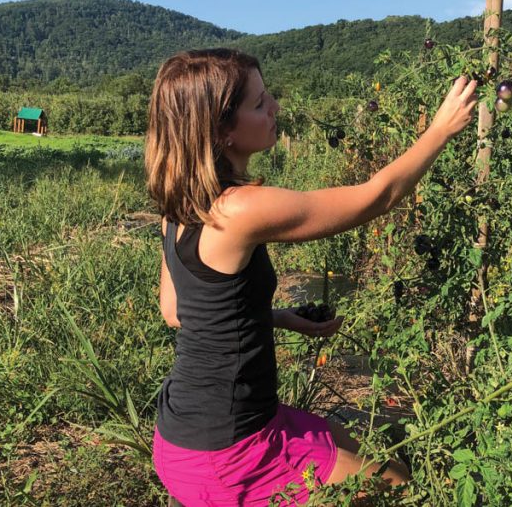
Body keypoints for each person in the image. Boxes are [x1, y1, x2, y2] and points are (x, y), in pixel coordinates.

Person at [144, 48, 477, 506]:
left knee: (376, 458)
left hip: (188, 430)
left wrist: (276, 317)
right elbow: (375, 197)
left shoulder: (180, 204)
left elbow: (176, 311)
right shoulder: (238, 209)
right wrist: (440, 130)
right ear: (222, 130)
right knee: (395, 488)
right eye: (260, 104)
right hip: (229, 453)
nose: (275, 107)